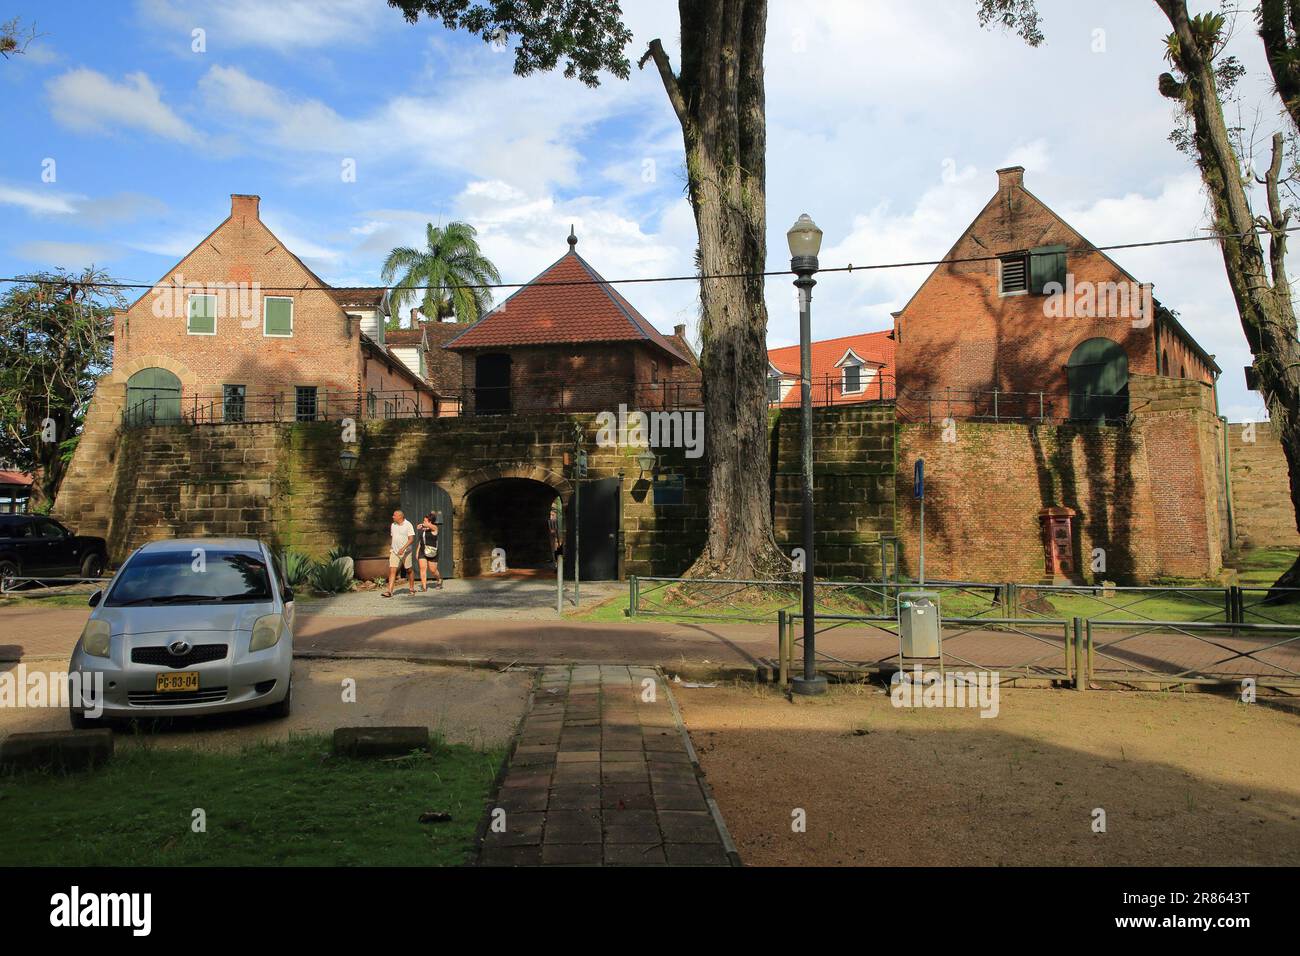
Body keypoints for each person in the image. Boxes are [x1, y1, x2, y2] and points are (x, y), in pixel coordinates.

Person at [383, 509, 416, 598]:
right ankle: (389, 591)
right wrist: (392, 547)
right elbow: (393, 537)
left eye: (394, 515)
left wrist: (403, 548)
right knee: (392, 570)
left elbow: (411, 539)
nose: (392, 517)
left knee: (409, 570)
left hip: (406, 552)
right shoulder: (393, 525)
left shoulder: (408, 525)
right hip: (395, 551)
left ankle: (412, 588)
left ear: (400, 516)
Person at [416, 512, 443, 592]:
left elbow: (430, 526)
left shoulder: (435, 528)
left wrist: (423, 525)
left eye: (425, 521)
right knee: (422, 568)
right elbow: (421, 542)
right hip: (423, 551)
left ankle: (439, 580)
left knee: (433, 570)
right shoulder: (424, 530)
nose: (423, 522)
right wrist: (417, 552)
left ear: (430, 522)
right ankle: (424, 587)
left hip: (432, 551)